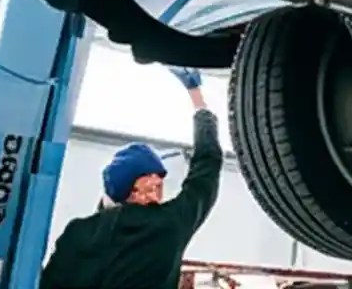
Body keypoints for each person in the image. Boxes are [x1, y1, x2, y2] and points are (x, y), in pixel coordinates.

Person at [40, 66, 223, 289]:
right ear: (139, 191)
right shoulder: (170, 223)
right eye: (154, 185)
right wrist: (198, 99)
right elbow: (208, 165)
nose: (157, 194)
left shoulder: (78, 233)